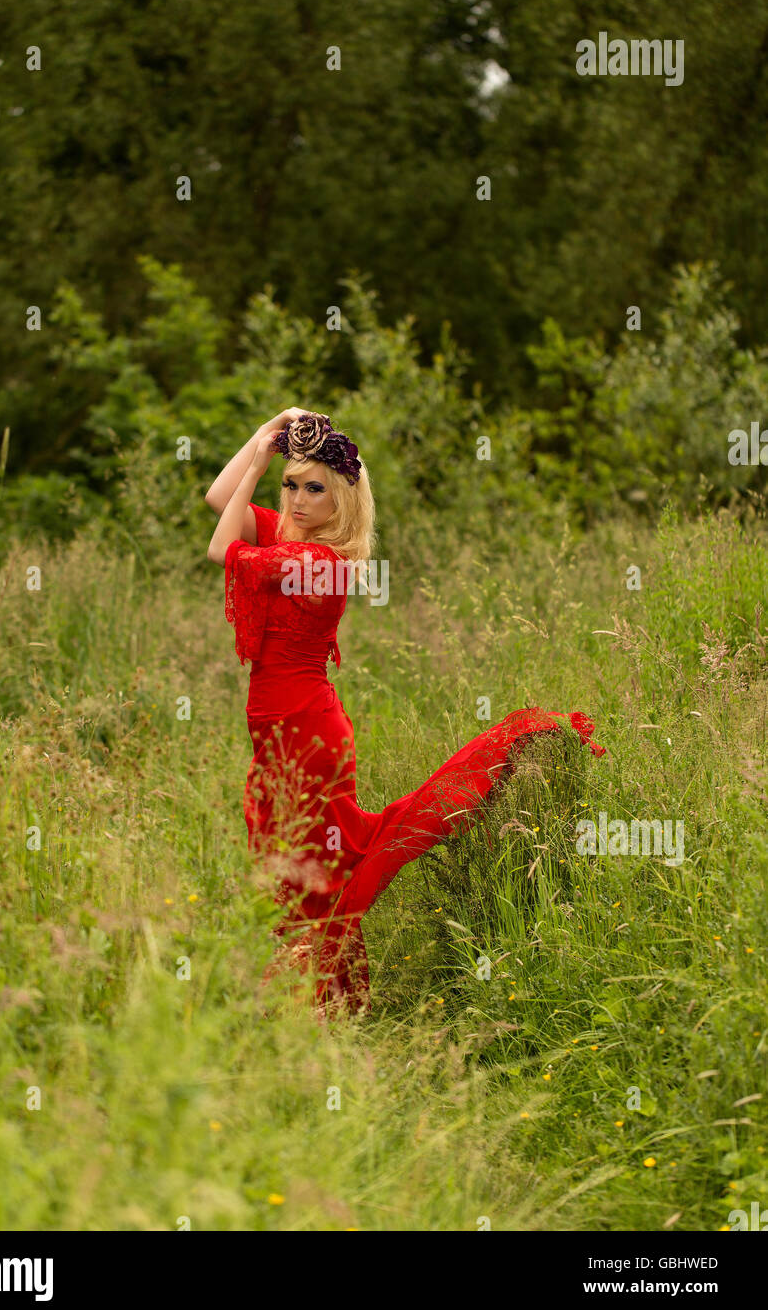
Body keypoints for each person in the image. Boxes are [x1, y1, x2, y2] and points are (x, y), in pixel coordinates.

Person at [205, 409, 606, 1014]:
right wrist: (269, 427)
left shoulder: (319, 565)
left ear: (342, 500)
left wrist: (264, 461)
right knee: (292, 868)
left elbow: (220, 546)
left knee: (311, 873)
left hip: (306, 733)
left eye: (315, 488)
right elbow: (218, 498)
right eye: (291, 484)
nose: (297, 498)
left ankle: (314, 1008)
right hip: (280, 729)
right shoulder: (294, 542)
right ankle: (322, 1005)